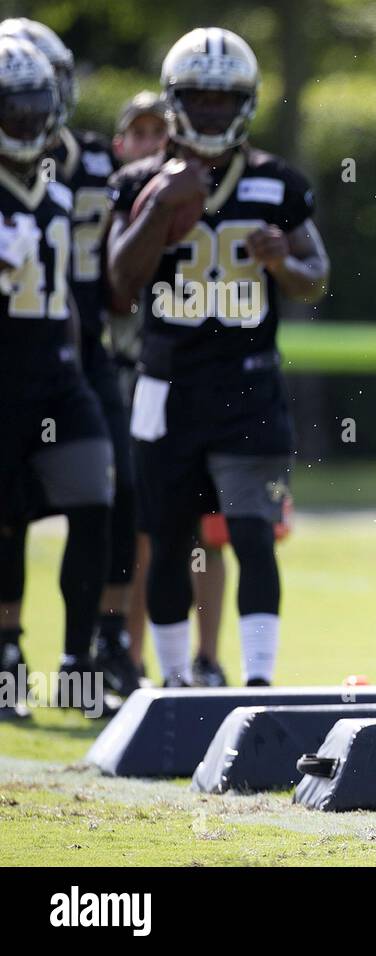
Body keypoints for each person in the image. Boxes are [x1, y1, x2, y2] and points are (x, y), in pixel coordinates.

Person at [106, 27, 329, 687]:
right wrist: (160, 209)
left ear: (246, 102)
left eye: (221, 98)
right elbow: (118, 287)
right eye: (197, 98)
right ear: (176, 99)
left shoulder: (275, 182)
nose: (208, 110)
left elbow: (316, 274)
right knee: (168, 540)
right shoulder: (138, 183)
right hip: (166, 386)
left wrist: (281, 262)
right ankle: (175, 684)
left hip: (247, 387)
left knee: (252, 535)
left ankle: (257, 682)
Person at [0, 18, 143, 696]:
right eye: (14, 108)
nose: (27, 119)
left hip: (64, 373)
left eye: (36, 105)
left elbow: (74, 291)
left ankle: (80, 658)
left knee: (98, 497)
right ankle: (7, 651)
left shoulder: (58, 185)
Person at [108, 90, 231, 687]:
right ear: (122, 141)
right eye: (141, 131)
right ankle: (133, 659)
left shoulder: (212, 186)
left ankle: (205, 660)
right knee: (150, 529)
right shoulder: (133, 189)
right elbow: (117, 285)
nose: (153, 141)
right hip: (139, 372)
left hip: (208, 381)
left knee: (212, 530)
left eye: (163, 130)